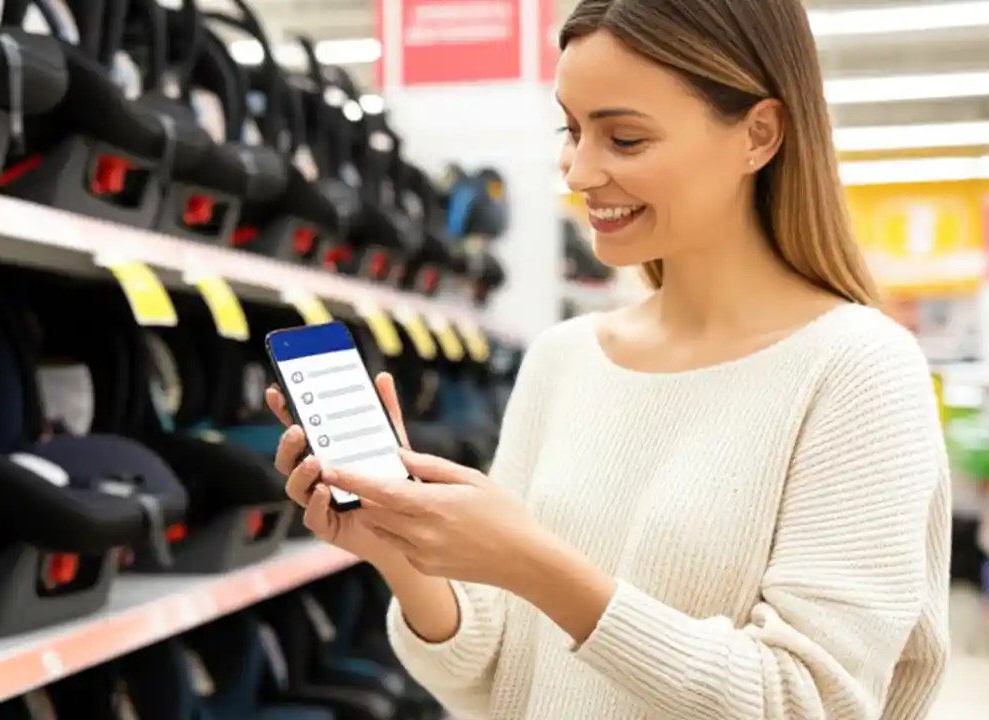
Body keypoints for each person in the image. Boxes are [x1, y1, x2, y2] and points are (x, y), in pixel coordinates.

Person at [266, 0, 950, 717]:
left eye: (624, 139)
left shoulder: (860, 371)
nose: (579, 171)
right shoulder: (564, 360)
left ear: (759, 134)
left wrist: (534, 565)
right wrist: (398, 550)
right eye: (572, 129)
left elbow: (809, 700)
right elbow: (493, 676)